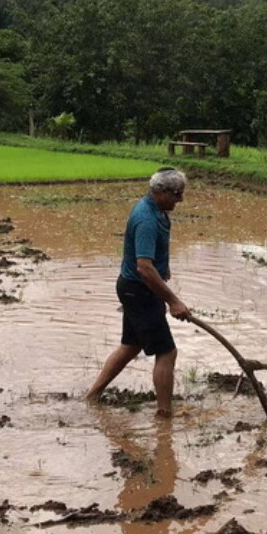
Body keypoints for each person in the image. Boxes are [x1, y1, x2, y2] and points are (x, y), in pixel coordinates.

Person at [86, 168, 191, 417]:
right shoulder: (146, 219)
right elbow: (144, 267)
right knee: (167, 351)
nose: (181, 199)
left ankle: (92, 396)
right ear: (160, 191)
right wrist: (174, 301)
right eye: (177, 194)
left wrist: (163, 270)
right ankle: (164, 414)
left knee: (131, 346)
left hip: (136, 289)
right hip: (140, 291)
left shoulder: (158, 211)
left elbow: (150, 259)